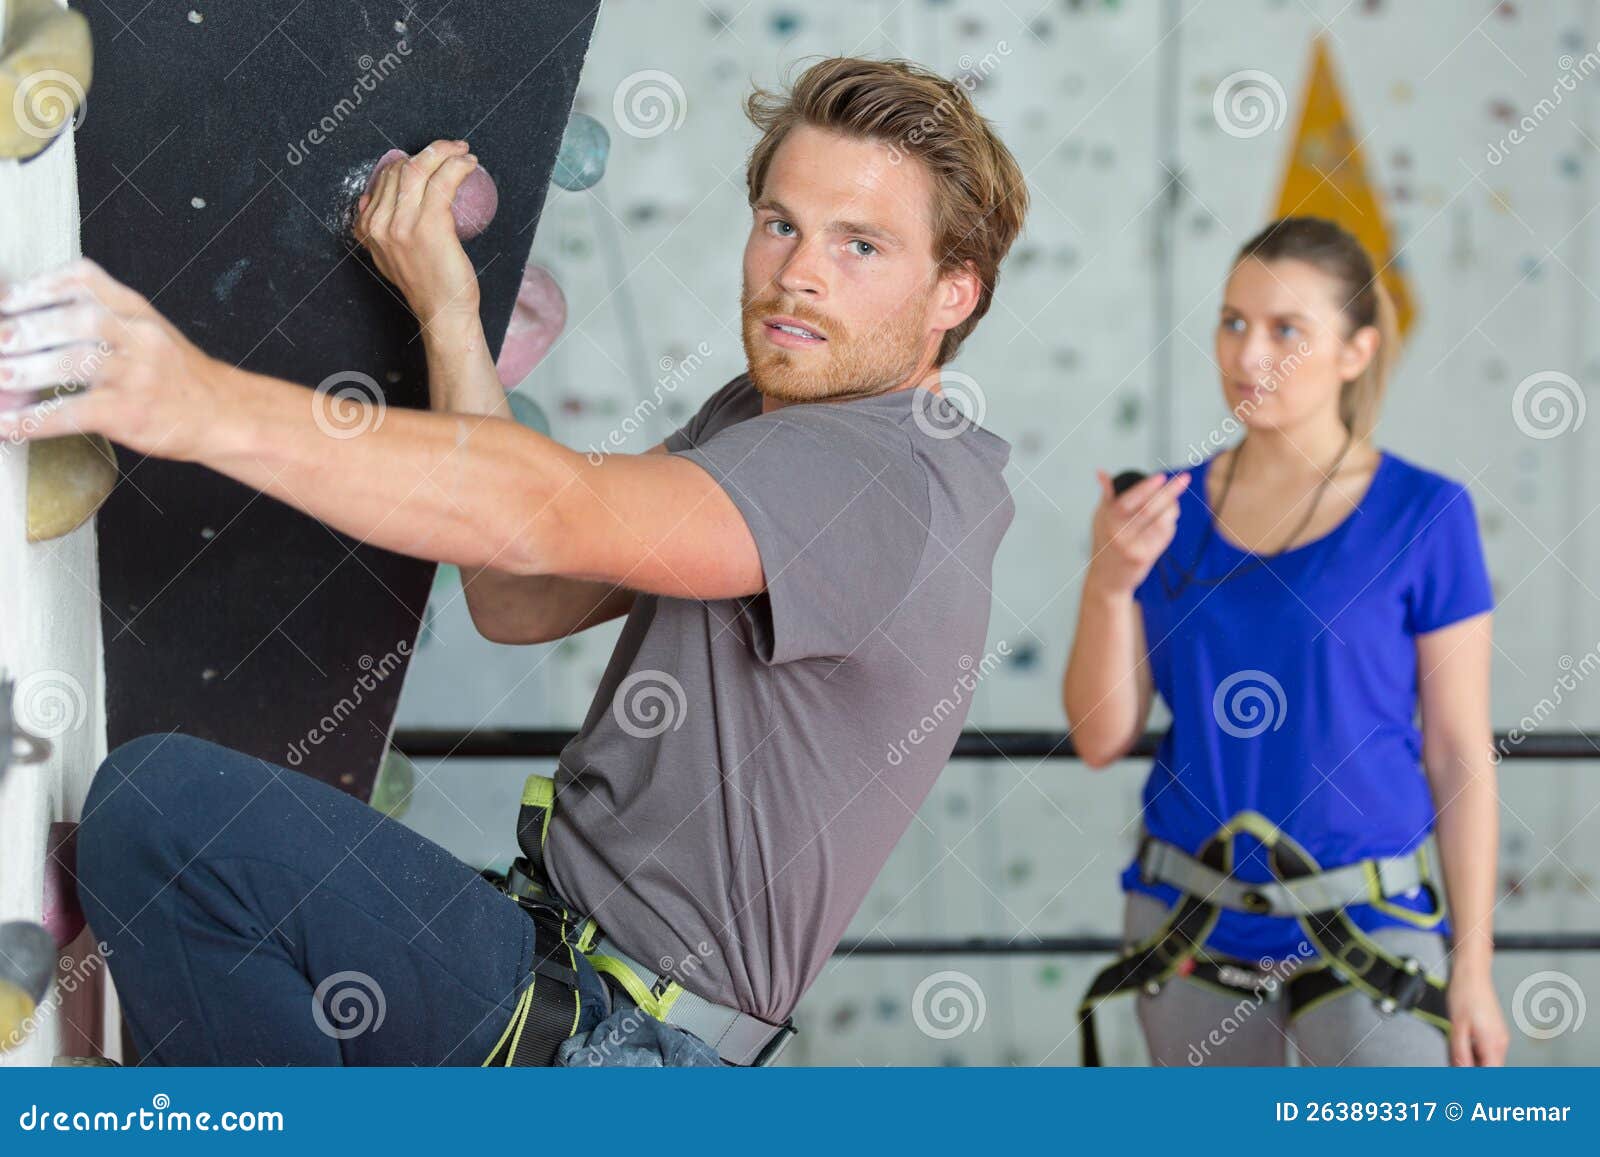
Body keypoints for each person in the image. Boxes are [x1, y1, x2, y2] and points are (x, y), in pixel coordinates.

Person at [0, 56, 1028, 1065]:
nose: (799, 271)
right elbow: (518, 590)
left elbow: (548, 510)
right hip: (558, 979)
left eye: (861, 245)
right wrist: (449, 312)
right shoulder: (780, 417)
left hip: (617, 1044)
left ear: (953, 291)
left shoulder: (878, 473)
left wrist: (198, 401)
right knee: (182, 842)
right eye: (781, 224)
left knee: (167, 817)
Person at [1062, 216, 1508, 1067]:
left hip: (1372, 922)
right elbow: (1098, 737)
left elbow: (1458, 752)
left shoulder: (1427, 513)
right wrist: (1108, 581)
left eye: (1285, 330)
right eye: (1233, 322)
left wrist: (1475, 970)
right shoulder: (1160, 511)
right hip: (1190, 921)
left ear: (1356, 351)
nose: (1248, 353)